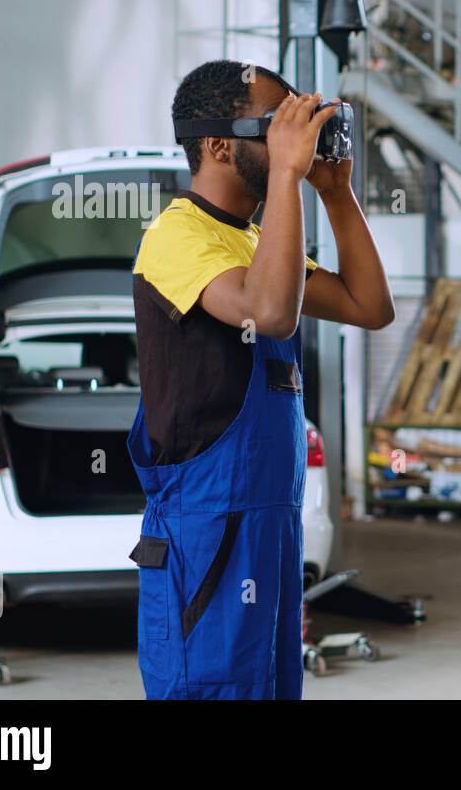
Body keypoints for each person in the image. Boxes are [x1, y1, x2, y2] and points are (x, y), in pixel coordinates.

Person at [125, 60, 393, 699]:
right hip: (207, 528)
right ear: (217, 144)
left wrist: (333, 192)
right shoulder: (175, 236)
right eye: (275, 126)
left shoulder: (257, 241)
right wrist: (287, 175)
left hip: (271, 521)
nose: (289, 138)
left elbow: (369, 305)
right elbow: (269, 312)